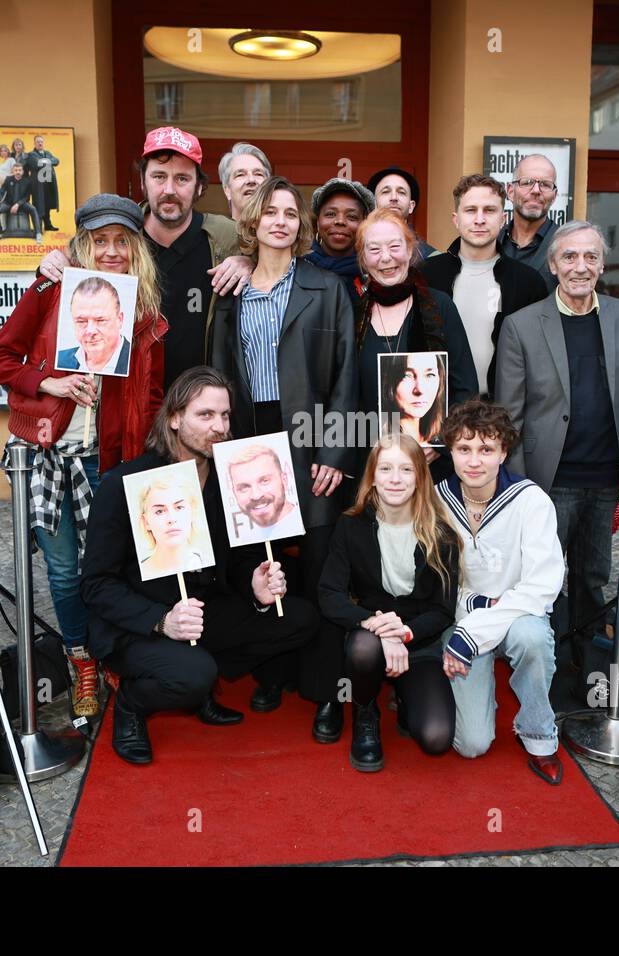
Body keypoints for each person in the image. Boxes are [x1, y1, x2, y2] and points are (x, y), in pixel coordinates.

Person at [0, 193, 167, 719]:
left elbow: (151, 397)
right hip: (44, 452)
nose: (111, 251)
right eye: (101, 240)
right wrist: (51, 381)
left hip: (102, 460)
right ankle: (80, 659)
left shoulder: (144, 311)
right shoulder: (49, 290)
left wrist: (146, 457)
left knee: (105, 567)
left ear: (137, 249)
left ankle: (111, 654)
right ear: (83, 243)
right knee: (63, 571)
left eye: (122, 242)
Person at [81, 367, 319, 764]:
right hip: (140, 625)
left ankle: (202, 674)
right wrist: (161, 621)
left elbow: (241, 557)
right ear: (174, 418)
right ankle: (132, 705)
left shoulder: (231, 480)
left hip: (205, 610)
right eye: (205, 415)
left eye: (225, 416)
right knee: (192, 674)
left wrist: (254, 584)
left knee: (301, 617)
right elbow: (95, 585)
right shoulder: (126, 483)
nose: (219, 427)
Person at [210, 175, 359, 742]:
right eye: (269, 211)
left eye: (290, 213)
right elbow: (219, 368)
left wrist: (335, 453)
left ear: (302, 225)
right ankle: (270, 673)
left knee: (320, 568)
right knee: (261, 563)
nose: (280, 221)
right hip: (250, 439)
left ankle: (325, 692)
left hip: (312, 439)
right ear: (253, 220)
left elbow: (347, 376)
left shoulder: (327, 287)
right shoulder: (230, 290)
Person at [495, 219, 619, 711]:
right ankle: (548, 674)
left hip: (606, 477)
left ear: (602, 265)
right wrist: (518, 487)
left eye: (590, 257)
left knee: (591, 578)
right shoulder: (522, 324)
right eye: (570, 257)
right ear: (553, 265)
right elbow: (509, 416)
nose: (580, 266)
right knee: (544, 582)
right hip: (549, 480)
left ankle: (590, 671)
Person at [39, 126, 252, 390]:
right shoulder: (117, 235)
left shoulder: (225, 236)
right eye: (159, 177)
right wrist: (53, 263)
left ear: (200, 187)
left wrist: (251, 263)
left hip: (199, 403)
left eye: (182, 179)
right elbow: (66, 274)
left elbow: (280, 270)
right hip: (126, 402)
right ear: (142, 181)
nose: (169, 190)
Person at [435, 400, 566, 784]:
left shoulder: (530, 501)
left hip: (513, 617)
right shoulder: (437, 502)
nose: (474, 461)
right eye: (464, 449)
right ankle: (483, 694)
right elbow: (435, 582)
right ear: (451, 452)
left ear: (503, 452)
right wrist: (472, 610)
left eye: (486, 449)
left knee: (532, 638)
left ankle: (540, 735)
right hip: (461, 618)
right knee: (472, 744)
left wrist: (476, 630)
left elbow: (542, 585)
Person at [319, 433, 460, 771]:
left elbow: (443, 610)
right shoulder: (350, 525)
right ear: (372, 476)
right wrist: (380, 629)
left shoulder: (441, 532)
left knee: (436, 738)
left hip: (420, 641)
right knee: (363, 648)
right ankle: (366, 711)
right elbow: (329, 594)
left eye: (406, 470)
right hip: (369, 631)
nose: (395, 479)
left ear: (420, 477)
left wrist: (404, 634)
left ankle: (406, 696)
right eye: (385, 469)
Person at [355, 208, 478, 468]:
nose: (386, 258)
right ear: (364, 260)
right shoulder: (353, 315)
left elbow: (464, 386)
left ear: (410, 251)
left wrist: (440, 443)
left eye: (395, 246)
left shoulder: (439, 306)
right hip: (372, 463)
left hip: (430, 464)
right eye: (374, 250)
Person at [421, 174, 548, 395]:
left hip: (504, 411)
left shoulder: (528, 282)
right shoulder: (426, 275)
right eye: (470, 210)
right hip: (440, 409)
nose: (479, 219)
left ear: (503, 218)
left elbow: (539, 357)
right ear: (456, 219)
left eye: (489, 210)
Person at [306, 177, 375, 305]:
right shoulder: (296, 270)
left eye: (352, 216)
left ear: (364, 225)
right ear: (318, 221)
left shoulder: (374, 275)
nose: (340, 221)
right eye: (331, 214)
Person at [499, 153, 563, 289]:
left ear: (554, 196)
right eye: (527, 182)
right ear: (510, 191)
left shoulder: (565, 245)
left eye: (545, 184)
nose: (536, 191)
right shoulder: (493, 242)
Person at [135, 472, 211, 577]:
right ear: (146, 521)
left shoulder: (210, 566)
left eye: (179, 507)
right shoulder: (136, 575)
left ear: (192, 513)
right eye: (160, 511)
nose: (172, 519)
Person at [55, 275, 132, 375]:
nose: (90, 331)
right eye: (82, 321)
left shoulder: (139, 360)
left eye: (100, 320)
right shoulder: (60, 360)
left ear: (120, 320)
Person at [226, 443, 302, 541]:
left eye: (264, 481)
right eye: (244, 487)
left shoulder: (307, 524)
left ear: (284, 480)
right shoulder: (244, 541)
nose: (256, 495)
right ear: (234, 492)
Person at [379, 351, 446, 446]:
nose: (420, 389)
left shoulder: (441, 444)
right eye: (406, 375)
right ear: (388, 382)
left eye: (430, 375)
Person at [366, 167, 436, 258]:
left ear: (411, 206)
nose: (394, 197)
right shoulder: (359, 251)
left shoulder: (431, 257)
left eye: (401, 192)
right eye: (386, 192)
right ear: (374, 203)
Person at [219, 142, 271, 222]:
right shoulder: (216, 234)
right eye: (240, 175)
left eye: (258, 174)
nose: (251, 180)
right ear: (227, 190)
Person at [0, 160, 41, 243]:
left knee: (33, 209)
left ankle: (38, 233)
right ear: (13, 171)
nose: (18, 172)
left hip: (22, 203)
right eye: (16, 170)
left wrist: (18, 204)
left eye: (19, 170)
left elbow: (27, 197)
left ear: (22, 171)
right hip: (8, 204)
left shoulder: (27, 181)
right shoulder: (8, 180)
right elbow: (1, 192)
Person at [27, 134, 61, 232]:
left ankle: (48, 225)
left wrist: (45, 161)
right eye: (38, 142)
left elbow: (56, 161)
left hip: (48, 183)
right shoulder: (31, 154)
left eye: (41, 141)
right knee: (39, 205)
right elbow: (36, 164)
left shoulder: (47, 153)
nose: (40, 143)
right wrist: (48, 161)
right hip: (38, 185)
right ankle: (38, 228)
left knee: (47, 204)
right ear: (34, 143)